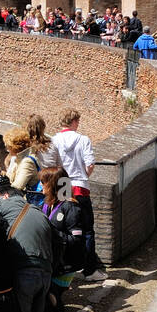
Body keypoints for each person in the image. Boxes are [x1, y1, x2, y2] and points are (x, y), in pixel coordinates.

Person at [50, 109, 104, 282]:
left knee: (64, 227)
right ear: (73, 121)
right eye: (78, 121)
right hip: (80, 186)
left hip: (63, 185)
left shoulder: (54, 140)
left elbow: (53, 165)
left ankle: (65, 266)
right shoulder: (83, 140)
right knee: (87, 230)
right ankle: (89, 270)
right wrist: (83, 176)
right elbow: (90, 164)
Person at [38, 167, 84, 312]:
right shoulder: (48, 205)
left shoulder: (71, 208)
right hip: (53, 265)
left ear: (53, 185)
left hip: (64, 268)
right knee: (54, 303)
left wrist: (50, 232)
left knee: (51, 304)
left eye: (43, 183)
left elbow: (76, 240)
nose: (40, 187)